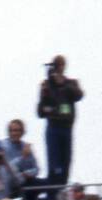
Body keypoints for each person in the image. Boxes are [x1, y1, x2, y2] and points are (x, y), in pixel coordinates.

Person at [37, 54, 83, 185]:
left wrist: (63, 84)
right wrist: (48, 88)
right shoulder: (46, 85)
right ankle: (52, 189)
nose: (60, 68)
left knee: (66, 163)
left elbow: (79, 95)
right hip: (53, 127)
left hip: (67, 128)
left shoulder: (71, 83)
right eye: (57, 65)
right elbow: (41, 111)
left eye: (62, 65)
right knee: (54, 165)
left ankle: (62, 187)